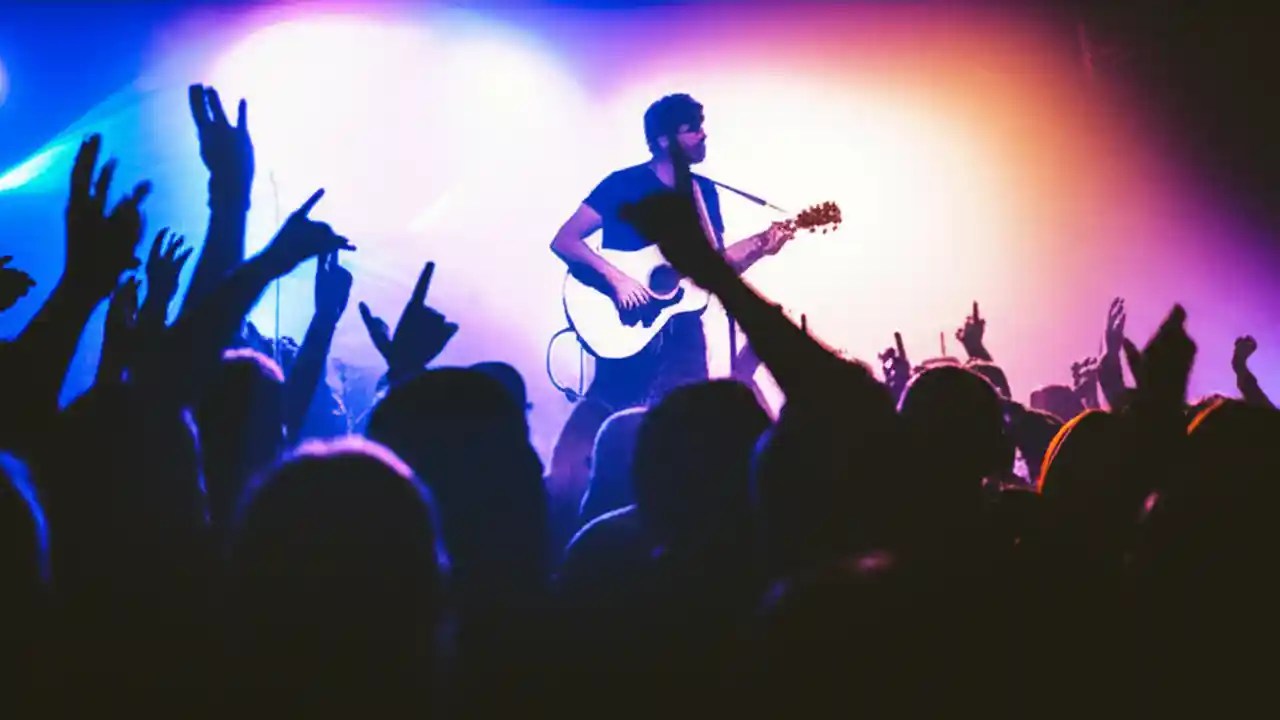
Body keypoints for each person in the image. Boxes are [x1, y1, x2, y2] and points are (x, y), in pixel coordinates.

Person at [547, 93, 792, 496]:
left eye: (701, 125)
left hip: (682, 330)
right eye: (691, 128)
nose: (702, 134)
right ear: (664, 140)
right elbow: (565, 240)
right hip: (624, 328)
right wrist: (618, 281)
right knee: (611, 413)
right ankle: (590, 498)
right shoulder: (623, 184)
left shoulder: (703, 193)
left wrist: (762, 245)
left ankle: (680, 504)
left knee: (688, 424)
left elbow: (711, 269)